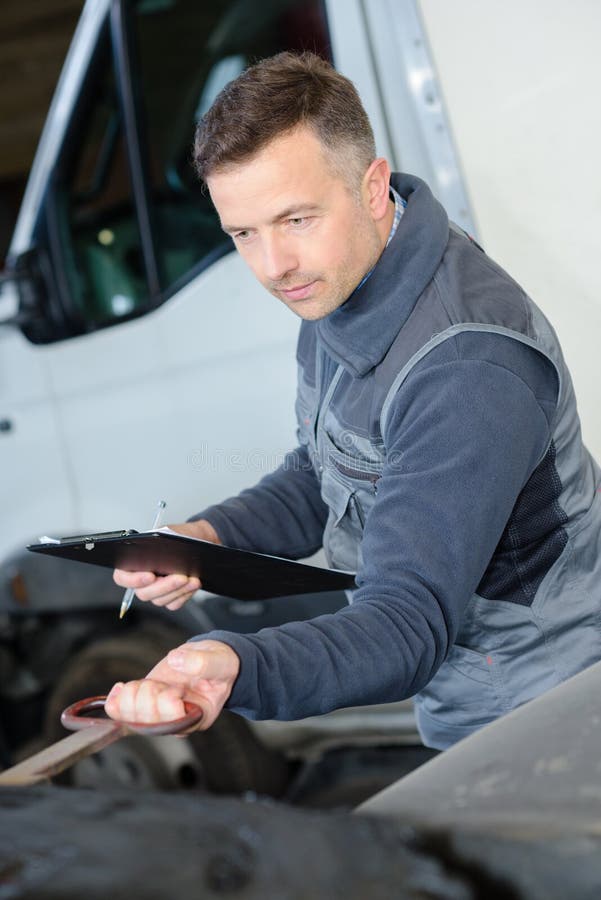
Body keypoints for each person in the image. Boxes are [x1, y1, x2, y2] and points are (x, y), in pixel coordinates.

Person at [106, 52, 601, 751]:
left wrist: (232, 664)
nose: (272, 266)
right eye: (244, 233)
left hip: (551, 717)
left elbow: (404, 623)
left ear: (372, 189)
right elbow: (322, 471)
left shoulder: (465, 367)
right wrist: (204, 539)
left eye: (295, 219)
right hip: (472, 699)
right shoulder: (343, 283)